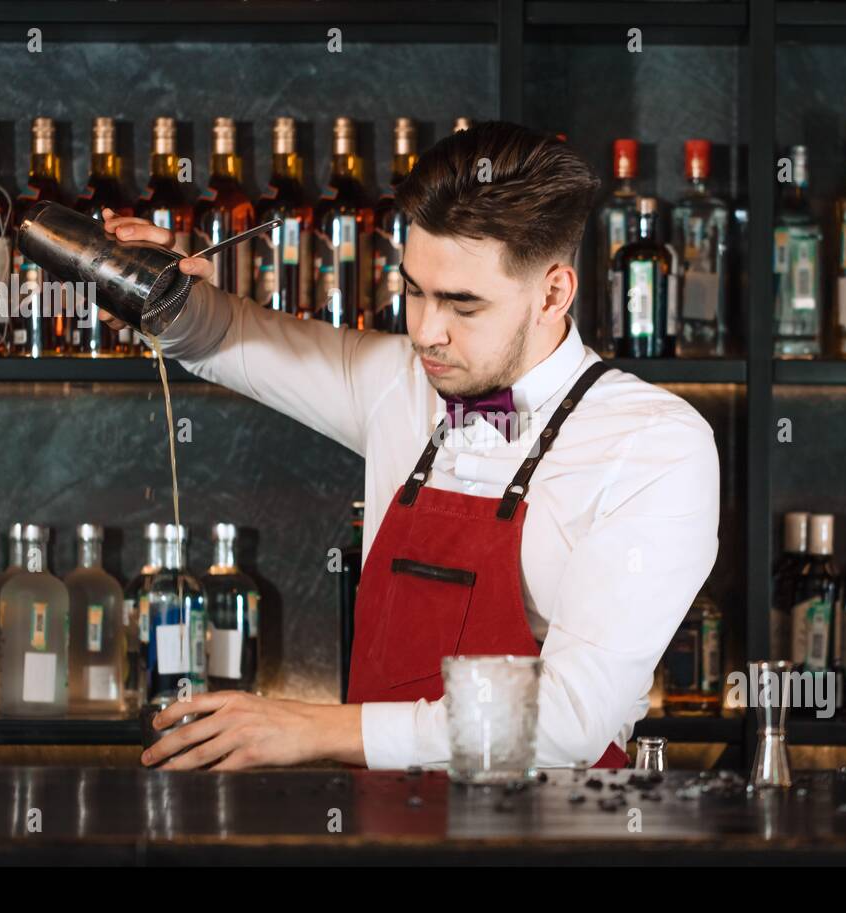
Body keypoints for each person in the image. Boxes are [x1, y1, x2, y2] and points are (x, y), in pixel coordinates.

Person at [110, 121, 719, 770]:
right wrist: (143, 275)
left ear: (553, 293)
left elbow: (571, 718)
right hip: (387, 832)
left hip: (551, 840)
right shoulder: (396, 381)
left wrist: (320, 730)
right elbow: (216, 336)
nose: (427, 333)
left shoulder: (654, 445)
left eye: (463, 305)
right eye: (414, 292)